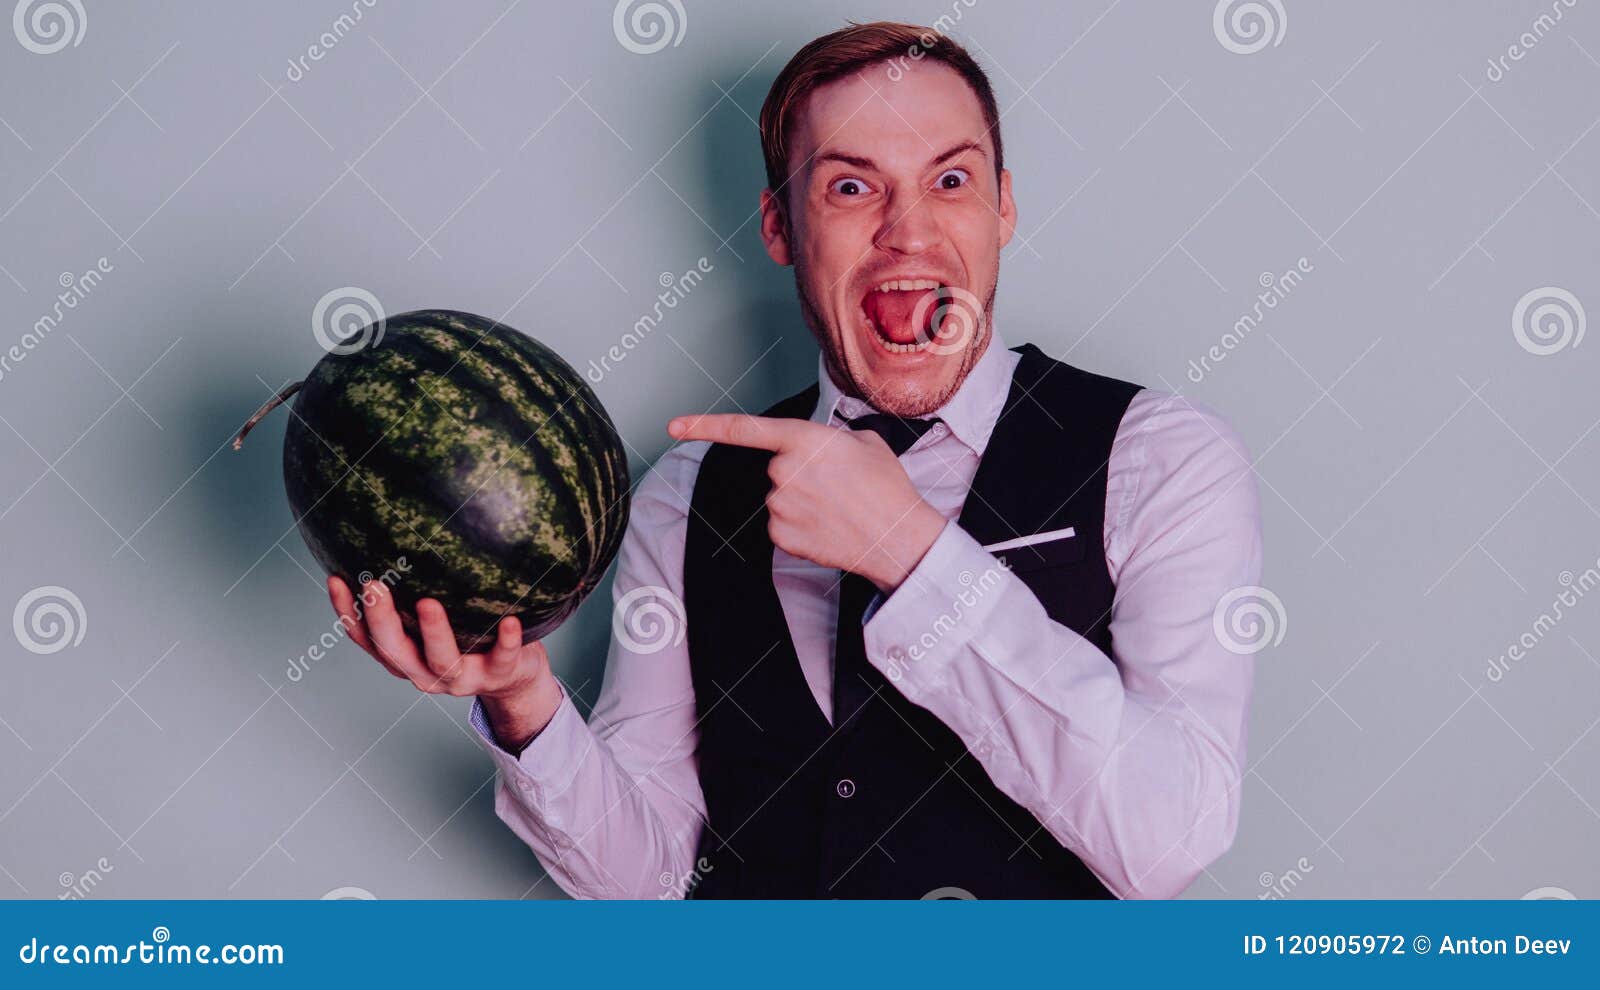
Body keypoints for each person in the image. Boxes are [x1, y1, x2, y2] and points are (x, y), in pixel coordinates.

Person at [328, 21, 1262, 899]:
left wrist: (910, 553)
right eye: (851, 188)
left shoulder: (1160, 459)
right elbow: (647, 880)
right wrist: (524, 704)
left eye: (951, 180)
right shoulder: (685, 495)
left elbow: (1168, 839)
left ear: (1003, 206)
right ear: (779, 227)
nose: (909, 231)